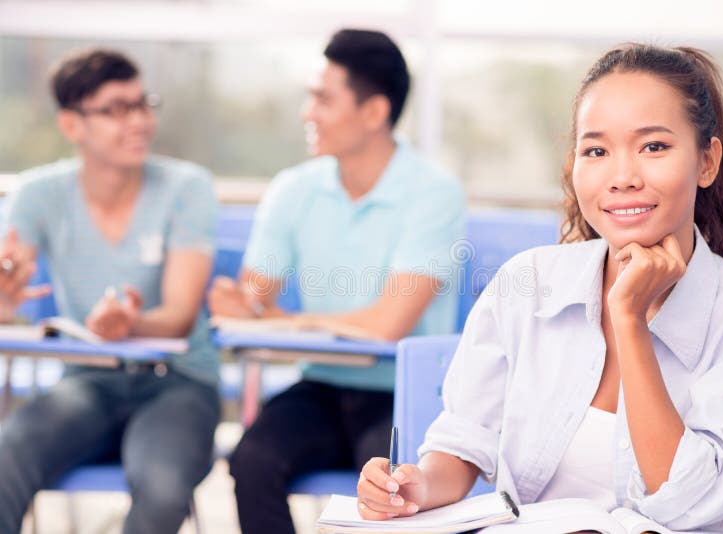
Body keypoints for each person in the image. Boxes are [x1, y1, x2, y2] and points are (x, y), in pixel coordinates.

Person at [356, 43, 723, 533]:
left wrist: (629, 320)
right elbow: (464, 442)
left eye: (654, 146)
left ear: (707, 162)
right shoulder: (525, 285)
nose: (623, 177)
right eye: (597, 151)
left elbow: (691, 502)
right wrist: (417, 487)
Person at [208, 29, 465, 534]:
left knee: (393, 490)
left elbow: (389, 324)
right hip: (322, 385)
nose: (308, 112)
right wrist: (240, 304)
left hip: (403, 394)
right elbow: (255, 305)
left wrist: (291, 322)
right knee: (251, 461)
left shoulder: (435, 194)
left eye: (323, 99)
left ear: (373, 112)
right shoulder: (293, 189)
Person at [0, 49, 220, 533]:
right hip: (87, 382)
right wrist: (4, 298)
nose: (139, 121)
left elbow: (181, 314)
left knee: (162, 492)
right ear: (72, 125)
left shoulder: (187, 188)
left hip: (178, 383)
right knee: (5, 458)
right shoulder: (38, 195)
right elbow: (9, 282)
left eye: (143, 104)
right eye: (116, 109)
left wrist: (130, 324)